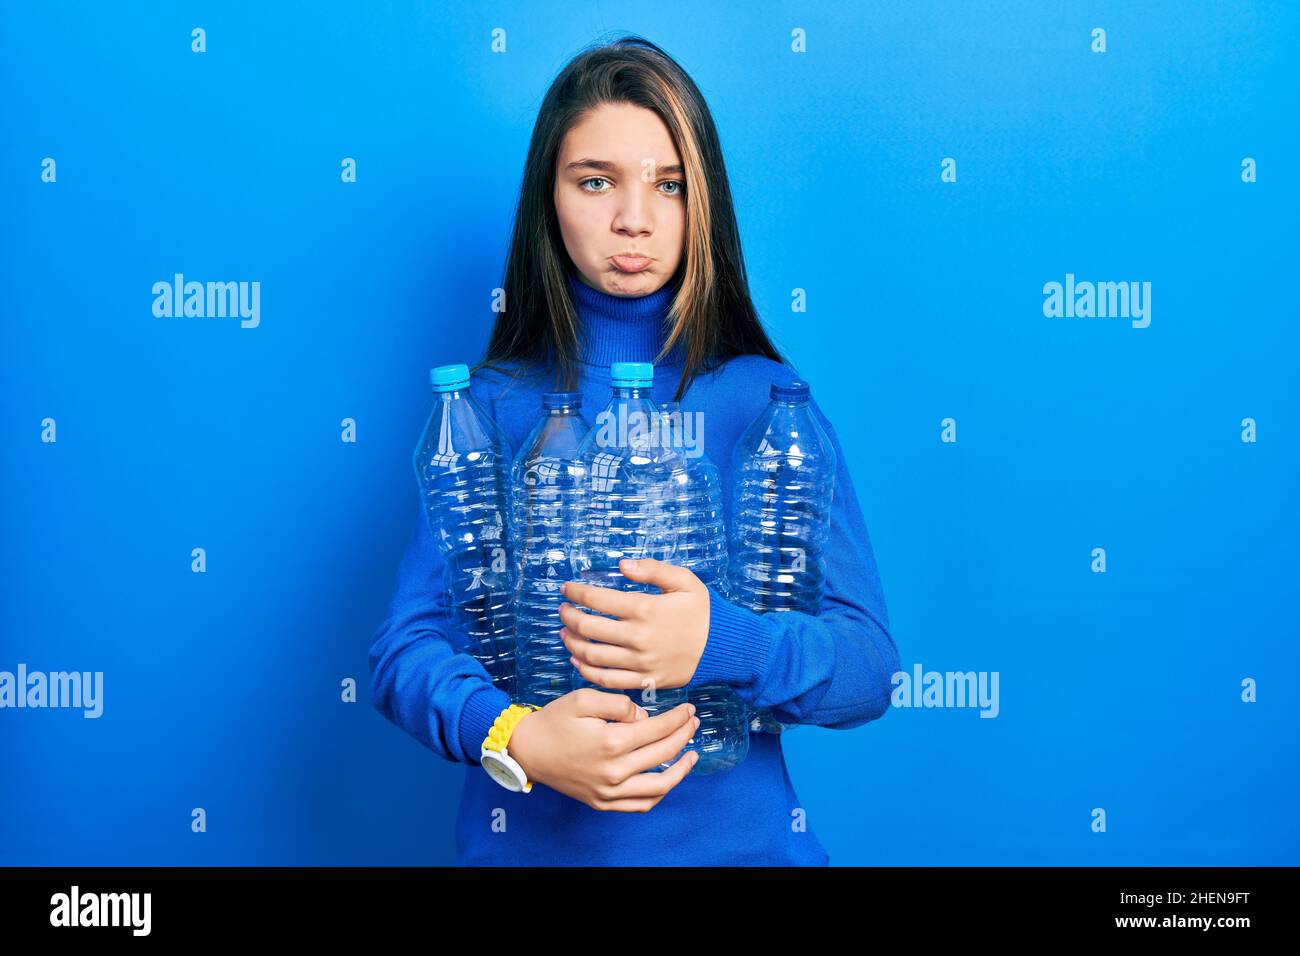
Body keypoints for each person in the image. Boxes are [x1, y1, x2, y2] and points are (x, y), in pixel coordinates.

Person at [369, 34, 898, 866]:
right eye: (595, 181)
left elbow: (868, 669)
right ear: (549, 199)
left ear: (704, 204)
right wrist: (519, 738)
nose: (634, 219)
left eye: (669, 185)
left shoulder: (765, 403)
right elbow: (405, 650)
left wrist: (720, 643)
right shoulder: (489, 407)